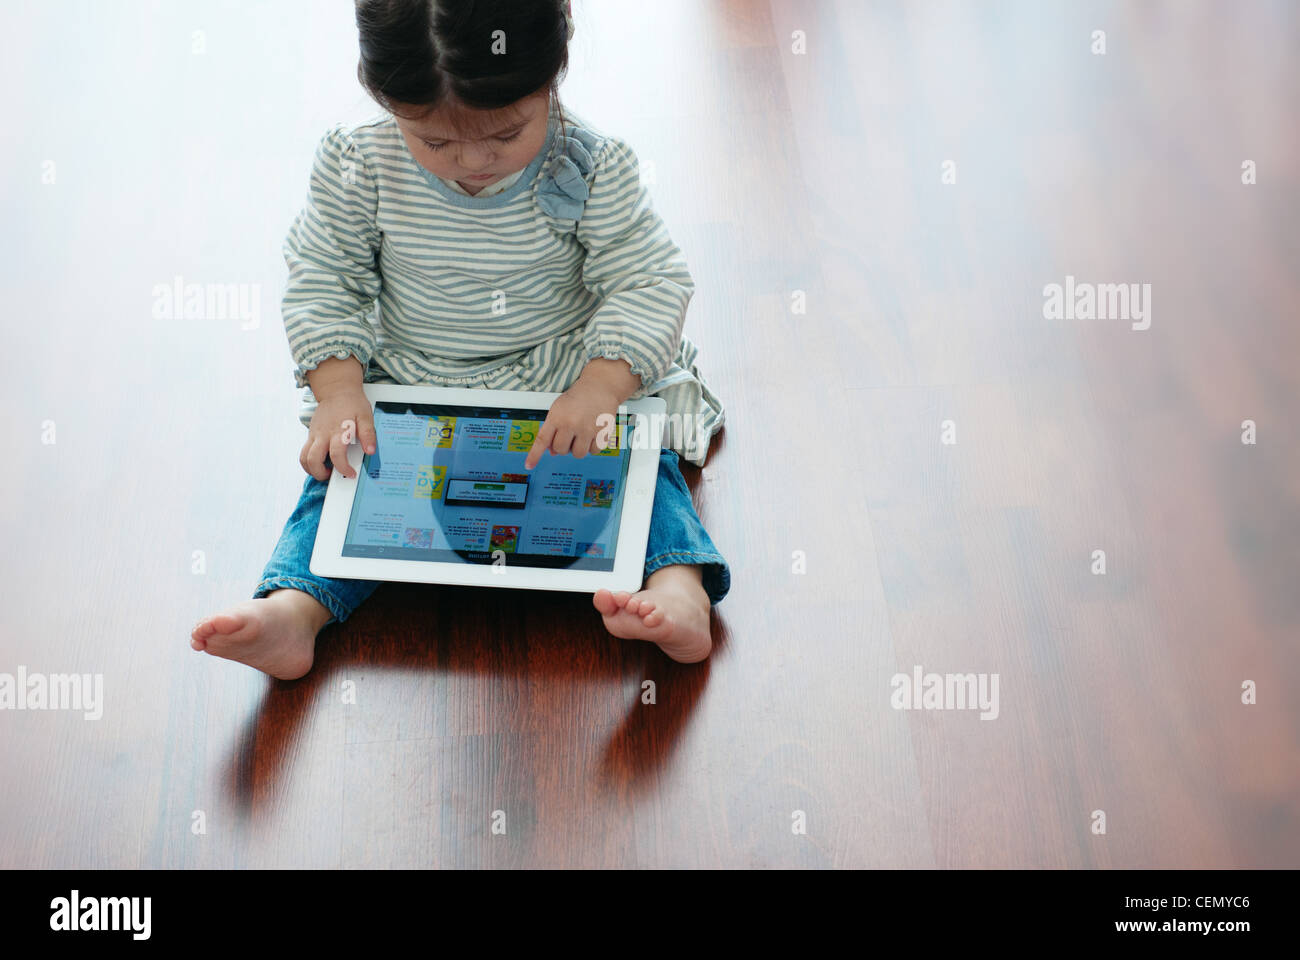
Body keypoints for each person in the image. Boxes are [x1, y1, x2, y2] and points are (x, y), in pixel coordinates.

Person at [191, 0, 730, 679]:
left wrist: (600, 387)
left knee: (642, 473)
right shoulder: (357, 164)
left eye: (505, 134)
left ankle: (677, 587)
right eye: (435, 143)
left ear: (551, 75)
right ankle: (296, 610)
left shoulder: (596, 167)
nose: (472, 162)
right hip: (419, 384)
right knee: (342, 481)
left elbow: (647, 281)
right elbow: (325, 276)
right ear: (381, 93)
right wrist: (337, 390)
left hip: (560, 377)